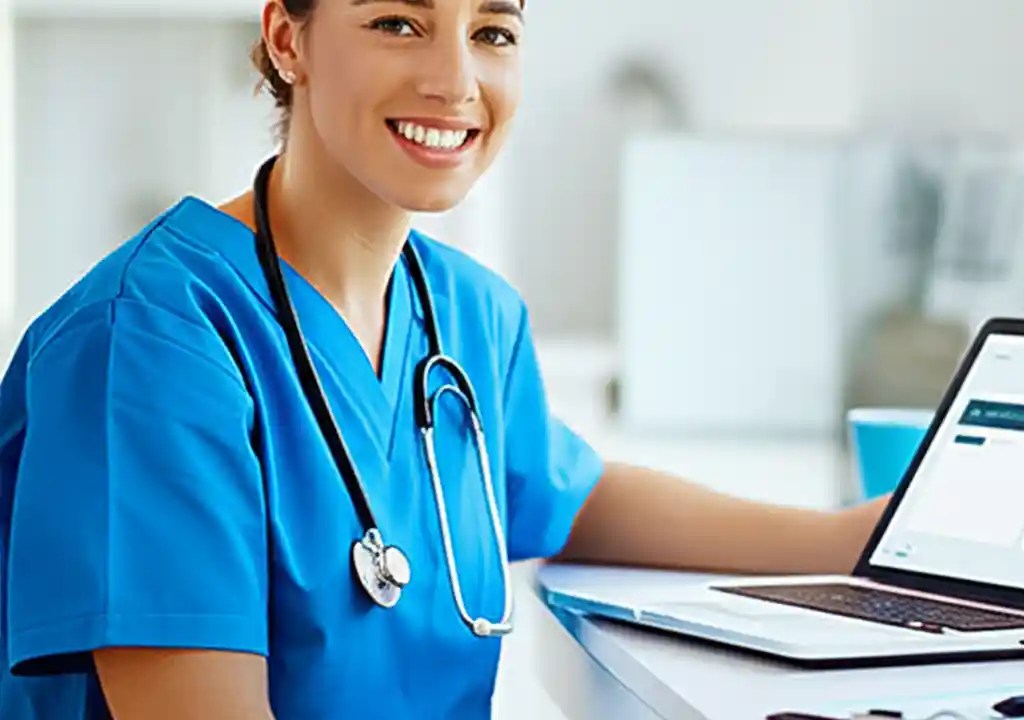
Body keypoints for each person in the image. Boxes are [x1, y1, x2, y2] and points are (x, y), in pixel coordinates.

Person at [0, 0, 889, 717]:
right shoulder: (148, 338)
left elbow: (562, 495)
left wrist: (847, 541)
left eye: (492, 32)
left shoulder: (470, 314)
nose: (455, 80)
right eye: (398, 23)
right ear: (286, 40)